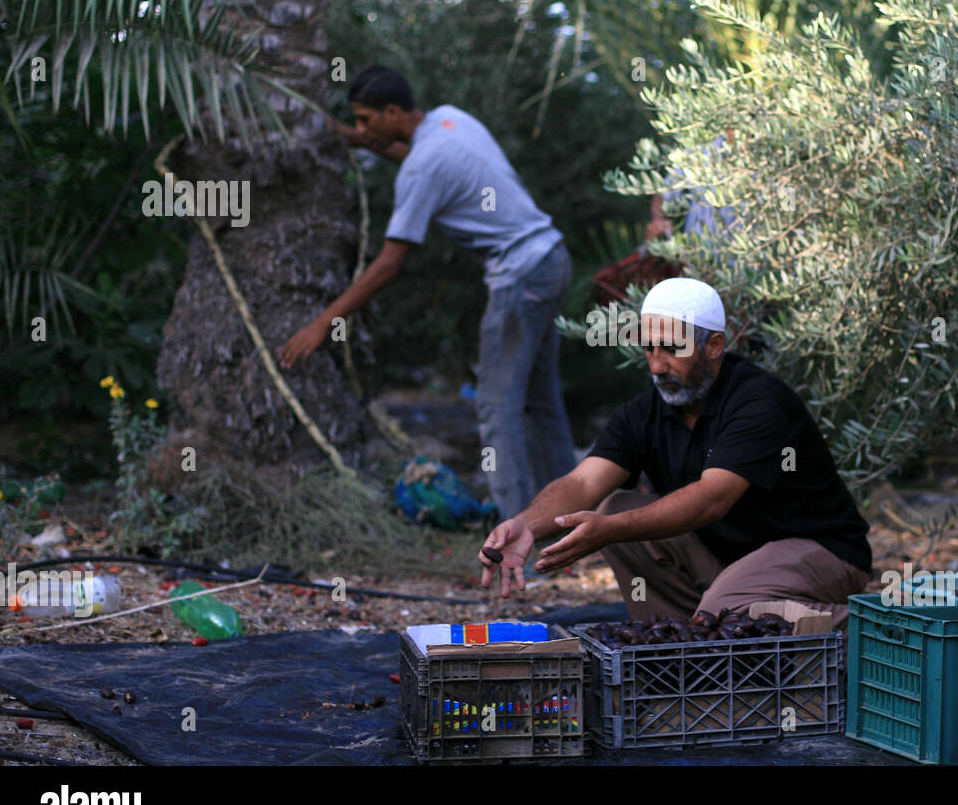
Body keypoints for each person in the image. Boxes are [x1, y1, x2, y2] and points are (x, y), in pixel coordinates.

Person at [478, 277, 873, 631]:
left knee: (731, 608)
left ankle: (881, 632)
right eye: (649, 348)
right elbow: (585, 481)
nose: (656, 364)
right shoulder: (647, 411)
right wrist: (527, 523)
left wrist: (609, 530)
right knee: (615, 507)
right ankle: (687, 644)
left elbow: (711, 499)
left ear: (714, 345)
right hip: (732, 563)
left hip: (821, 553)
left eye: (671, 349)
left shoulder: (759, 402)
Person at [279, 65, 577, 520]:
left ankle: (520, 547)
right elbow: (427, 161)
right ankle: (570, 524)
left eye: (364, 120)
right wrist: (356, 139)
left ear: (393, 111)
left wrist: (324, 322)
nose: (362, 129)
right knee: (542, 402)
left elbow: (388, 264)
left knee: (498, 411)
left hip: (520, 279)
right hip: (551, 260)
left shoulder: (422, 166)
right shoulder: (449, 121)